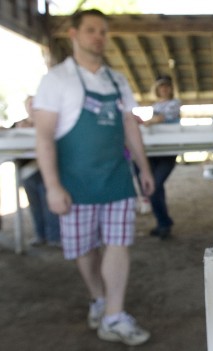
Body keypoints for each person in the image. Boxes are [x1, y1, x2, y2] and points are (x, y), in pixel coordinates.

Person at [33, 9, 154, 346]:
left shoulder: (117, 80)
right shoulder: (56, 80)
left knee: (119, 245)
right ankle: (99, 298)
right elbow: (44, 137)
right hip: (75, 183)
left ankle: (114, 315)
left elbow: (130, 126)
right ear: (74, 34)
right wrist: (53, 186)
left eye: (103, 31)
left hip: (116, 177)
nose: (98, 37)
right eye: (91, 30)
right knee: (84, 251)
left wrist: (143, 169)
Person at [141, 75, 180, 240]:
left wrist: (151, 121)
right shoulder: (155, 105)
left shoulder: (175, 104)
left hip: (168, 151)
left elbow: (162, 118)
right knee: (156, 188)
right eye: (161, 86)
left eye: (166, 86)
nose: (164, 89)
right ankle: (162, 224)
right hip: (153, 151)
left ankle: (164, 222)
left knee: (155, 186)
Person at [19, 95, 61, 247]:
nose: (32, 107)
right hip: (27, 171)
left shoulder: (49, 123)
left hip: (45, 169)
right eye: (29, 104)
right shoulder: (20, 124)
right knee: (34, 204)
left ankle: (54, 236)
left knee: (48, 201)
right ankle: (40, 234)